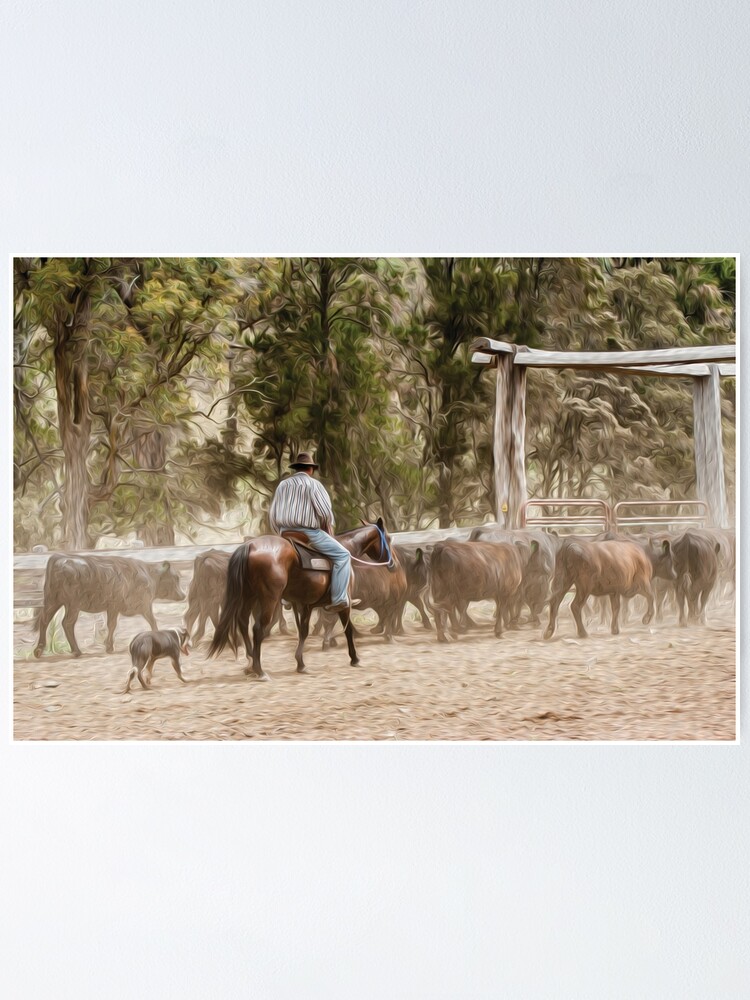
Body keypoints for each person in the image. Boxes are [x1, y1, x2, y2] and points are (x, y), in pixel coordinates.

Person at [269, 452, 354, 614]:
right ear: (310, 469)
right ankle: (339, 598)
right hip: (309, 533)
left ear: (296, 469)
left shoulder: (282, 486)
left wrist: (281, 533)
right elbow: (325, 514)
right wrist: (328, 529)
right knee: (343, 556)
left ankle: (286, 596)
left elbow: (272, 515)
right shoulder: (314, 485)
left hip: (285, 534)